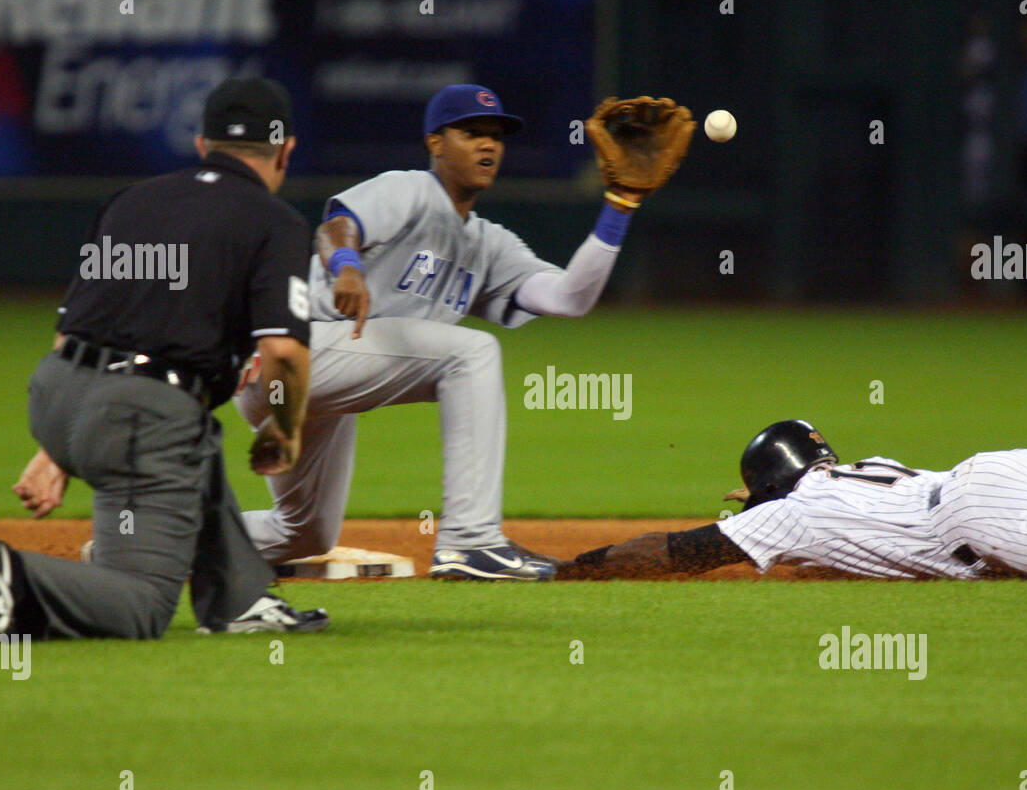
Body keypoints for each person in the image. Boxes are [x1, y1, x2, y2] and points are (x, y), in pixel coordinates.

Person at [235, 86, 693, 580]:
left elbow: (569, 299)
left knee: (303, 534)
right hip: (293, 352)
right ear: (436, 142)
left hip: (329, 384)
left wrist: (620, 205)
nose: (488, 144)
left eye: (496, 135)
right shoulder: (409, 189)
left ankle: (168, 533)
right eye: (471, 132)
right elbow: (337, 226)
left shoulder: (487, 245)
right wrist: (347, 265)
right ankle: (470, 542)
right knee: (471, 353)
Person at [0, 77, 327, 638]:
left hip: (58, 389)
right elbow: (283, 352)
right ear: (286, 150)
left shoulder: (134, 200)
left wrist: (55, 447)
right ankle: (12, 574)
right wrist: (286, 426)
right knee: (141, 604)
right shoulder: (275, 222)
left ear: (202, 144)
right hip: (139, 417)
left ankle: (239, 601)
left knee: (192, 430)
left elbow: (77, 328)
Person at [558, 419, 1027, 581]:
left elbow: (673, 553)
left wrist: (565, 569)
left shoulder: (790, 511)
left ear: (764, 490)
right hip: (1005, 471)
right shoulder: (860, 471)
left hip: (982, 513)